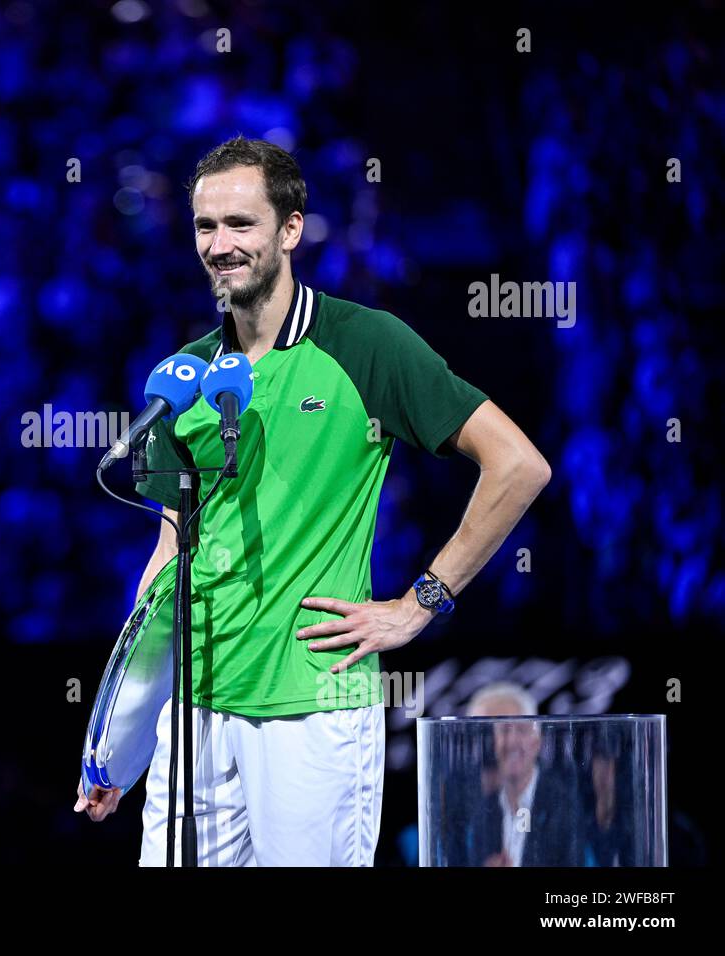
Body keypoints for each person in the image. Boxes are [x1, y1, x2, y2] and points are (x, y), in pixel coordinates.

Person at [75, 135, 551, 866]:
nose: (220, 245)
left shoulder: (366, 345)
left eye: (242, 224)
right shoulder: (186, 374)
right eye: (206, 226)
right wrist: (119, 742)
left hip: (311, 709)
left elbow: (518, 465)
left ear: (290, 229)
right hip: (193, 715)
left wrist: (421, 601)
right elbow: (169, 556)